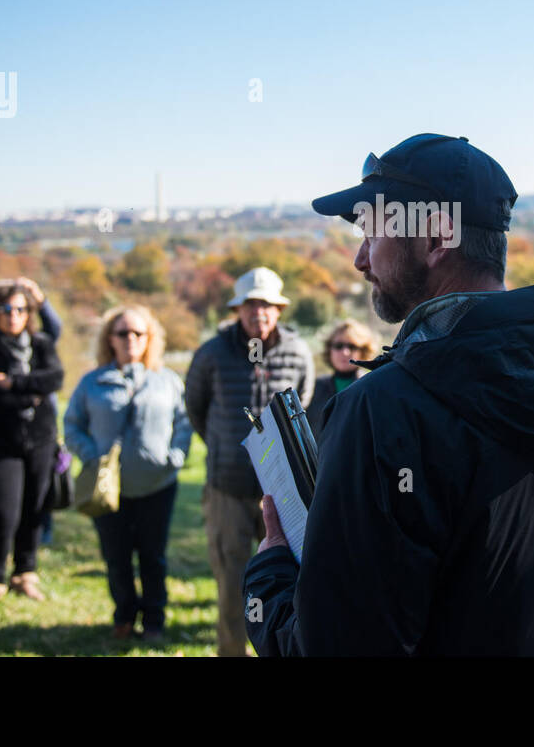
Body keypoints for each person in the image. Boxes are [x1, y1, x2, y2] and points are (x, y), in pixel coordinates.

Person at [243, 133, 534, 656]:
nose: (360, 259)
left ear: (434, 239)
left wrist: (271, 576)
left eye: (371, 234)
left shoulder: (382, 413)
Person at [184, 266, 314, 656]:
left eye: (268, 305)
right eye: (252, 304)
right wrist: (229, 446)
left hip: (283, 490)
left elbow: (300, 404)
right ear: (238, 309)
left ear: (279, 309)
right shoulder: (212, 352)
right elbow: (196, 407)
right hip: (228, 485)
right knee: (232, 577)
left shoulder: (297, 351)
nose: (260, 312)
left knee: (289, 576)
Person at [65, 306, 191, 641]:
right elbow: (72, 425)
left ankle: (154, 620)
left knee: (153, 556)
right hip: (108, 488)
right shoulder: (92, 382)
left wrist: (176, 455)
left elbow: (183, 421)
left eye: (138, 333)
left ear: (150, 338)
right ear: (110, 339)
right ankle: (123, 614)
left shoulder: (167, 380)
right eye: (123, 333)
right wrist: (92, 456)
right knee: (116, 556)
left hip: (157, 485)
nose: (131, 339)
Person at [0, 282, 64, 612]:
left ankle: (25, 572)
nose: (13, 316)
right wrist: (29, 392)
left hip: (40, 439)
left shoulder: (40, 343)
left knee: (34, 510)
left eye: (21, 309)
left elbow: (54, 378)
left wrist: (11, 382)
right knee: (3, 512)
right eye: (6, 310)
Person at [306, 318, 376, 441]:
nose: (345, 352)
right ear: (329, 349)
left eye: (352, 346)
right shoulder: (314, 387)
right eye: (339, 346)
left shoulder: (372, 387)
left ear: (363, 351)